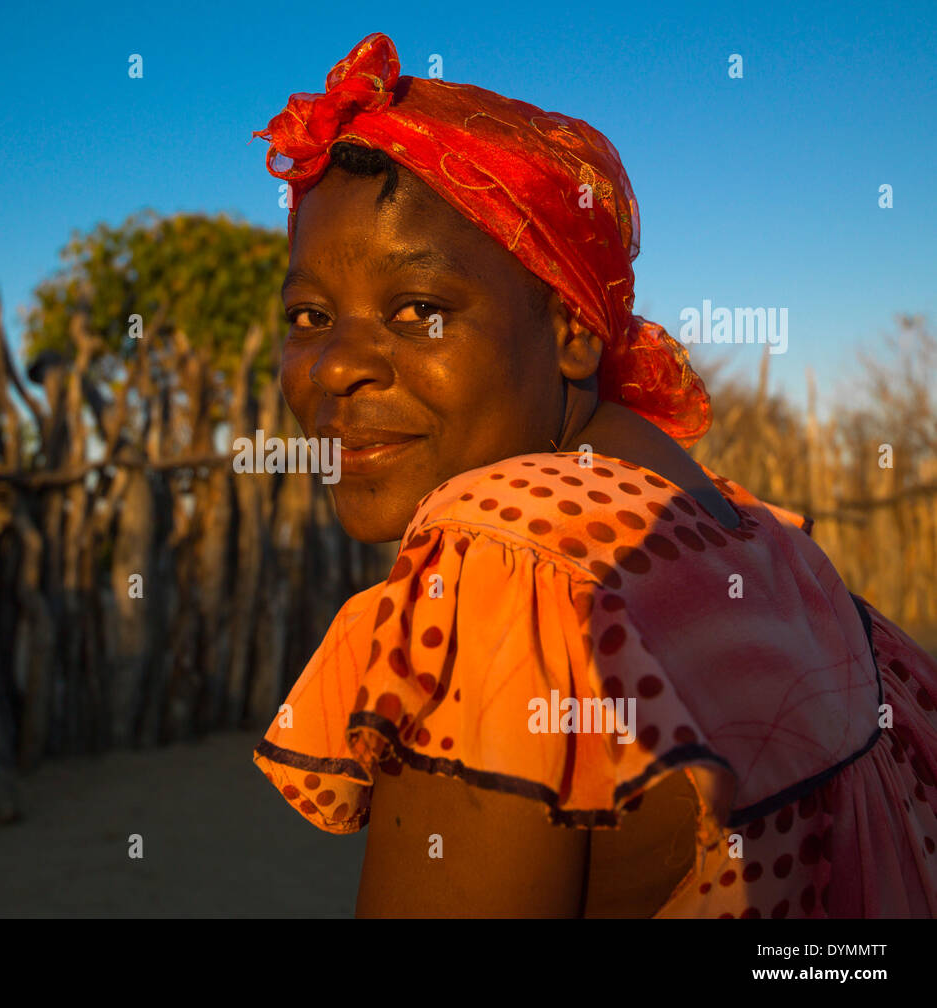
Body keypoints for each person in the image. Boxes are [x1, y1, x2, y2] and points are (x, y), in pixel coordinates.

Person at [249, 32, 937, 917]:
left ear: (574, 329)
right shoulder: (758, 544)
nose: (337, 366)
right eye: (309, 315)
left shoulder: (507, 565)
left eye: (419, 309)